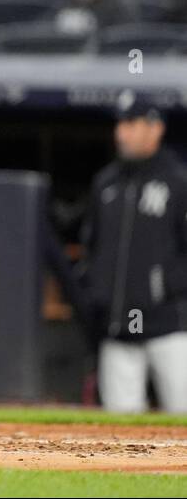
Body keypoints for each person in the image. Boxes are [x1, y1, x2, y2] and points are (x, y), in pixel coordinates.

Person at [75, 92, 187, 413]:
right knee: (121, 434)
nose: (122, 132)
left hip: (171, 328)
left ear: (156, 128)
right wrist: (97, 293)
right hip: (118, 328)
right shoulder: (106, 182)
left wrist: (167, 286)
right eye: (120, 124)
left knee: (182, 418)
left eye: (132, 123)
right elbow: (92, 246)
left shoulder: (178, 182)